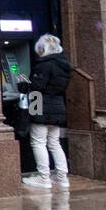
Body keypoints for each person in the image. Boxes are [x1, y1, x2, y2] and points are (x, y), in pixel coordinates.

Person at [21, 33, 71, 190]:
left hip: (40, 104)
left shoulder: (44, 64)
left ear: (43, 49)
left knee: (38, 142)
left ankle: (44, 178)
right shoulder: (64, 65)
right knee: (54, 142)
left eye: (40, 49)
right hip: (57, 106)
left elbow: (37, 88)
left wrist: (23, 86)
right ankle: (62, 177)